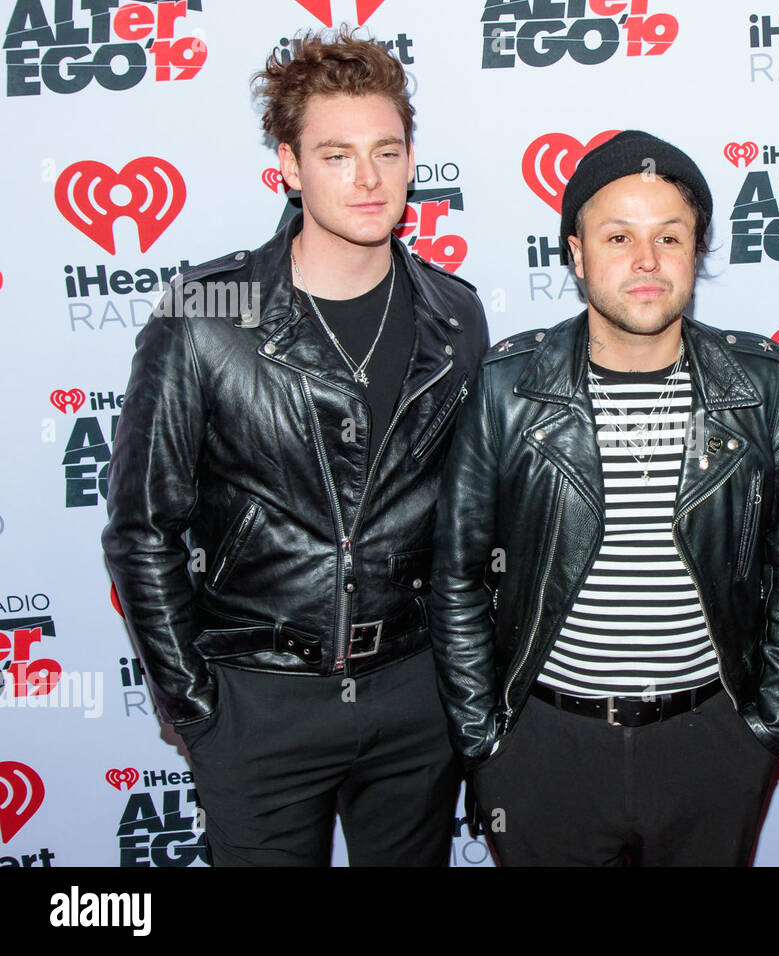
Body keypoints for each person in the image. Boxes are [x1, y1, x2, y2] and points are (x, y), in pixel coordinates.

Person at [101, 28, 488, 866]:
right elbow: (141, 527)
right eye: (337, 153)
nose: (367, 177)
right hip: (258, 700)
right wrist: (195, 705)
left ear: (413, 159)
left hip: (414, 696)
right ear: (288, 163)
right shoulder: (207, 313)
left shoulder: (455, 318)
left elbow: (467, 520)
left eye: (387, 151)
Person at [429, 130, 779, 866]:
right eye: (618, 236)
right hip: (544, 750)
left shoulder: (756, 382)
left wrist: (769, 726)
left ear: (696, 253)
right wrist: (488, 738)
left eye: (669, 237)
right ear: (577, 256)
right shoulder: (506, 387)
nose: (646, 261)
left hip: (712, 743)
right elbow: (455, 576)